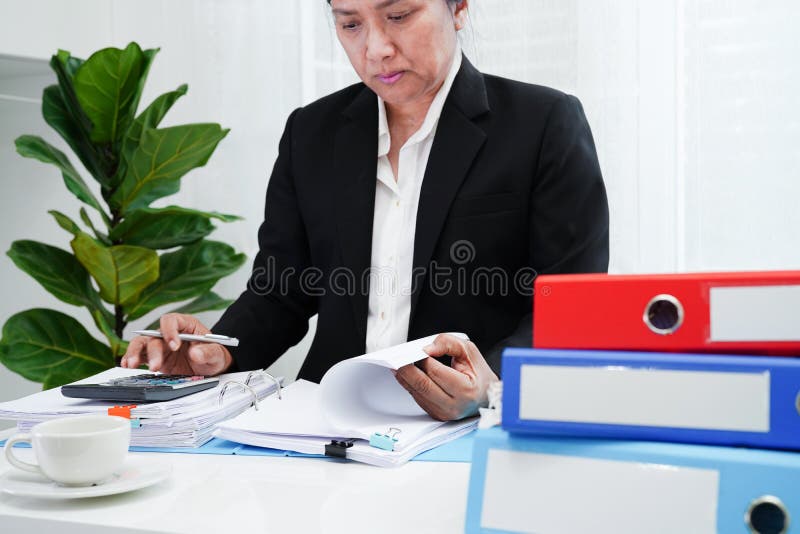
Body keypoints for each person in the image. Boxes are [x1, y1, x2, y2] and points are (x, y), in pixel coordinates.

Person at [122, 0, 609, 422]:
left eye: (398, 15)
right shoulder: (310, 133)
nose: (375, 48)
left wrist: (493, 386)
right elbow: (281, 291)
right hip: (325, 424)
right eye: (350, 24)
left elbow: (570, 306)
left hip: (465, 428)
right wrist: (218, 351)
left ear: (458, 7)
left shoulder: (543, 124)